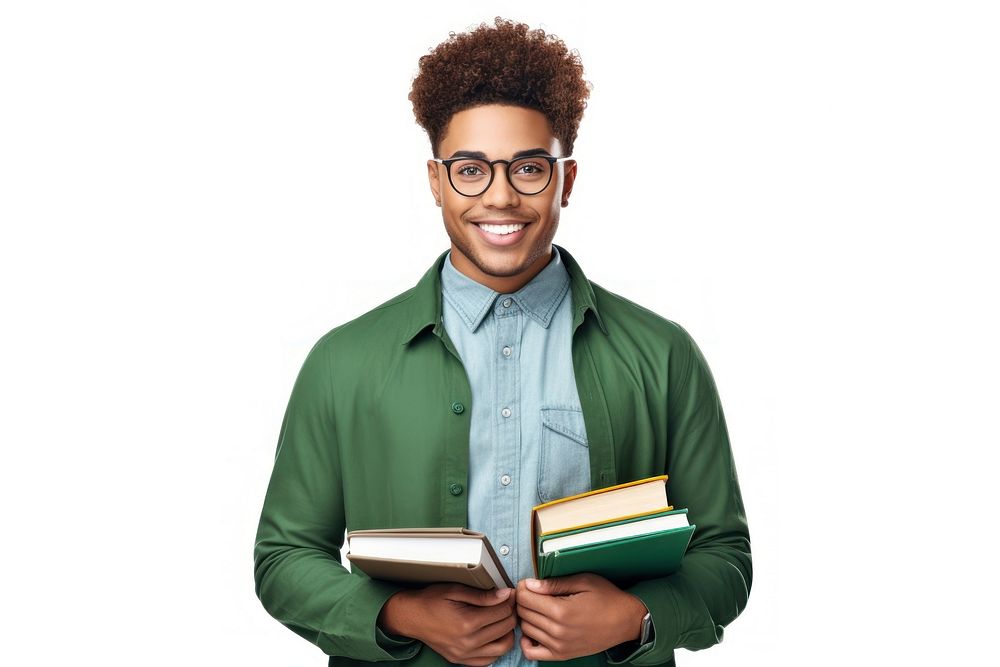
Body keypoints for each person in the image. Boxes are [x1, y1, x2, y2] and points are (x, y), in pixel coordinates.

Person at [254, 16, 751, 667]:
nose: (500, 196)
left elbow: (725, 557)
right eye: (470, 169)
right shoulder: (342, 362)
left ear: (566, 180)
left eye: (529, 168)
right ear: (436, 181)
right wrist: (400, 615)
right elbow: (284, 558)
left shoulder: (662, 355)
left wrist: (634, 616)